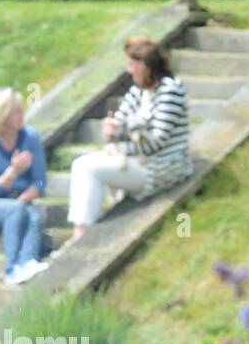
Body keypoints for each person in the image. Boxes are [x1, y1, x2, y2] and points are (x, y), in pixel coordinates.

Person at [68, 36, 191, 239]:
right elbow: (119, 122)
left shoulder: (170, 90)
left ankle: (81, 235)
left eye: (132, 63)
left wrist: (120, 146)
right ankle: (81, 232)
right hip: (135, 159)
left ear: (145, 65)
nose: (128, 69)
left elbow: (157, 143)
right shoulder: (138, 91)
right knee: (81, 164)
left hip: (161, 166)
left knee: (88, 168)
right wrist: (111, 130)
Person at [0, 89, 50, 286]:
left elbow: (40, 180)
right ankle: (11, 268)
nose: (22, 114)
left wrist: (24, 198)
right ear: (3, 116)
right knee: (17, 210)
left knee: (32, 215)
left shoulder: (30, 137)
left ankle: (28, 262)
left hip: (19, 200)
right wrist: (12, 172)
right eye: (17, 111)